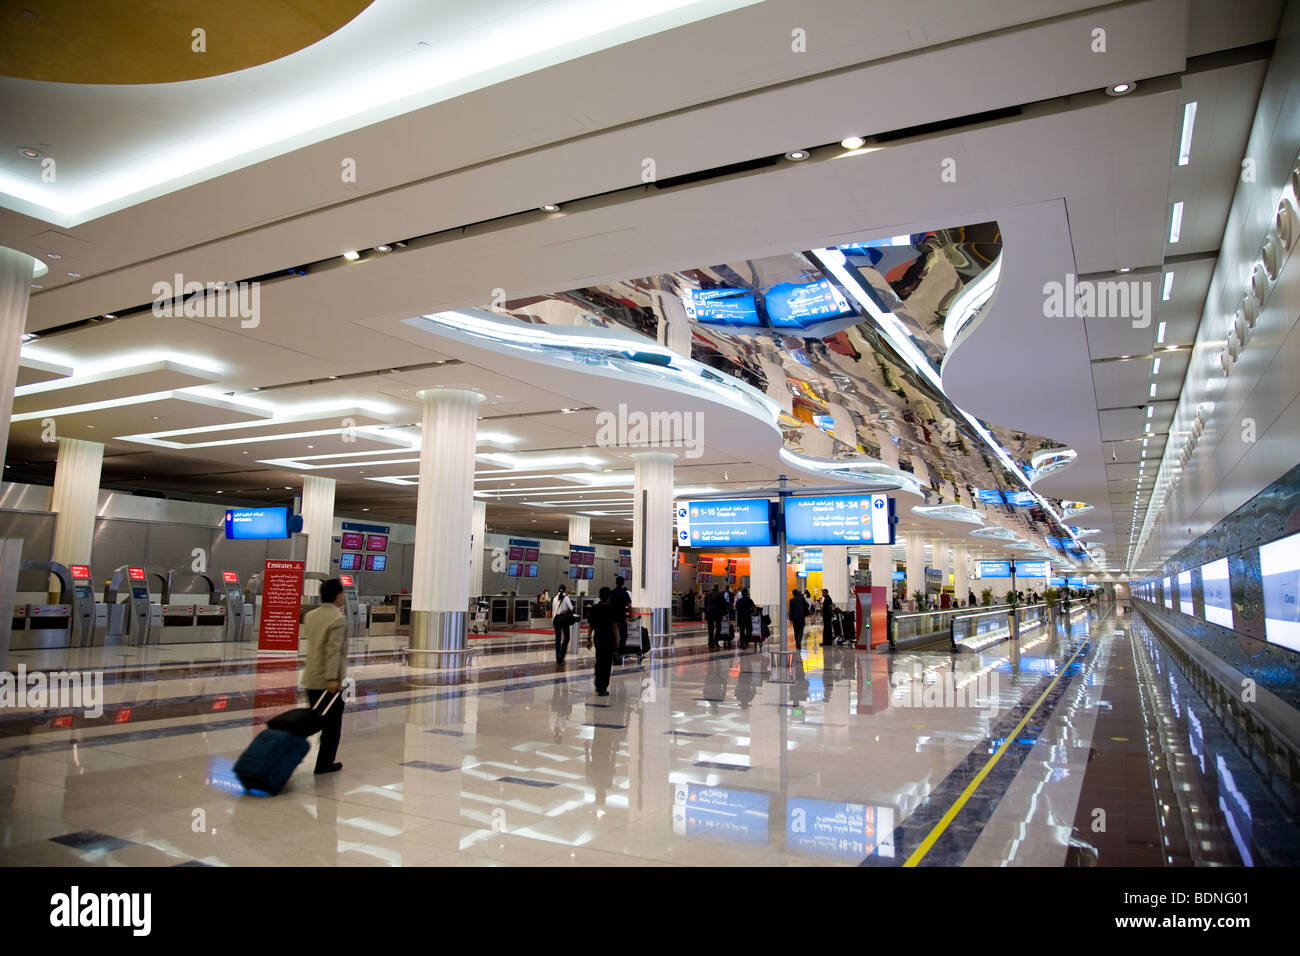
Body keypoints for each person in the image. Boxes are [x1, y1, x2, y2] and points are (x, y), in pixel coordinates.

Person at [302, 578, 347, 775]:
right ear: (338, 595)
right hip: (328, 682)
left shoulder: (310, 616)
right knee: (332, 725)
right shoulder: (337, 619)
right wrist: (332, 679)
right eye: (342, 593)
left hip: (310, 677)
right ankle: (324, 763)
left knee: (314, 720)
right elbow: (333, 651)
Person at [588, 586, 617, 696]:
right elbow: (614, 626)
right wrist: (617, 639)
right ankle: (603, 686)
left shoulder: (594, 608)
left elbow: (590, 626)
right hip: (609, 638)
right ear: (609, 596)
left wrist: (588, 639)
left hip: (598, 638)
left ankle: (598, 683)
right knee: (607, 662)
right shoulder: (611, 608)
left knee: (599, 659)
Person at [610, 575, 632, 658]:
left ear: (616, 582)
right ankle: (621, 651)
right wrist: (631, 615)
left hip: (613, 616)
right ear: (623, 583)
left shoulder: (612, 592)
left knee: (613, 633)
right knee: (623, 634)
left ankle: (614, 649)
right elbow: (629, 605)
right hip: (622, 616)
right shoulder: (624, 593)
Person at [552, 585, 574, 665]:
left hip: (556, 620)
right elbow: (571, 608)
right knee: (567, 638)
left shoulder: (554, 598)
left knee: (557, 639)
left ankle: (558, 658)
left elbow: (553, 611)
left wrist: (553, 621)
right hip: (564, 620)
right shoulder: (566, 598)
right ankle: (561, 655)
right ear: (565, 590)